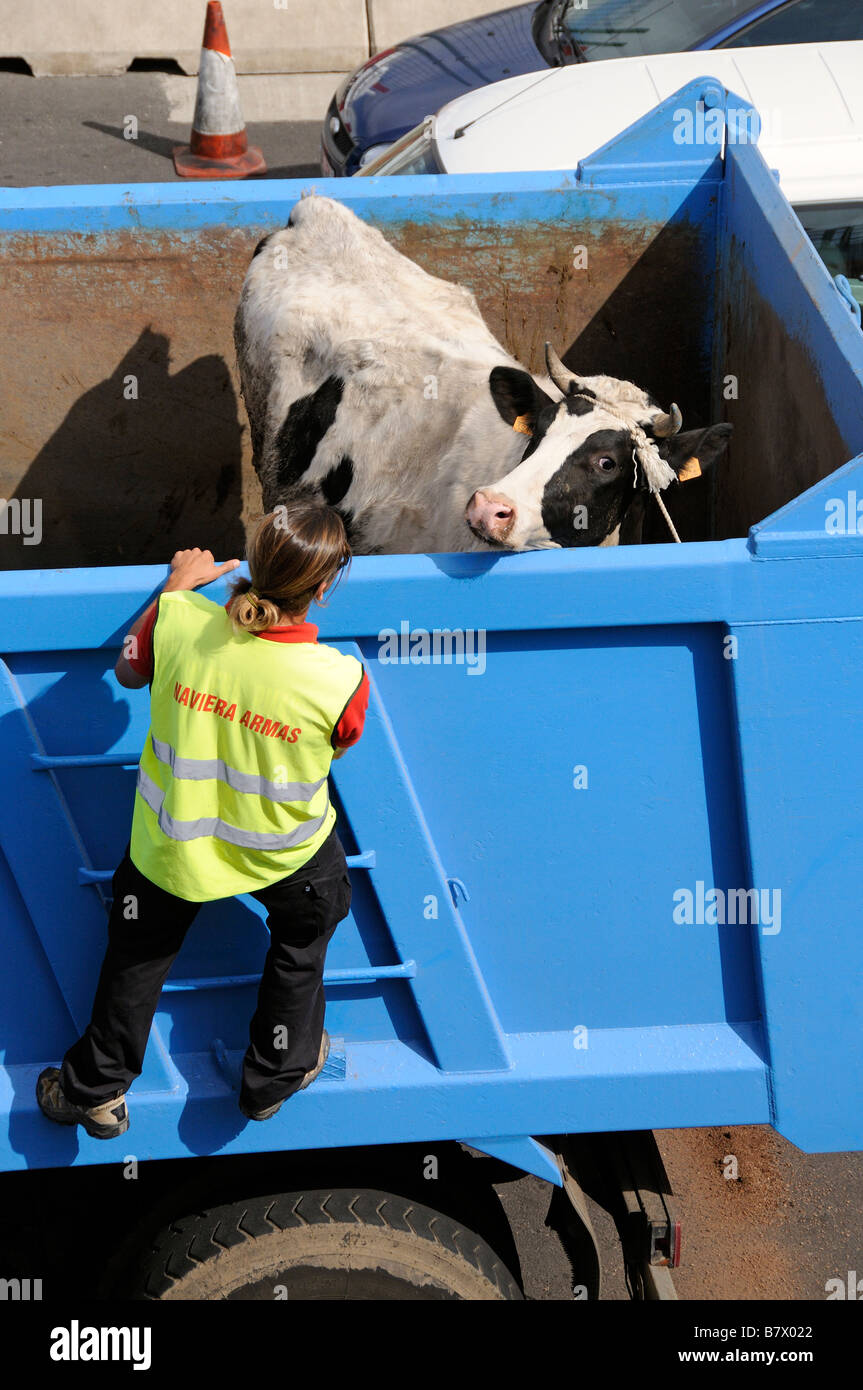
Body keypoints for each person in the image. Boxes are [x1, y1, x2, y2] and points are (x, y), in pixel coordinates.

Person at [37, 502, 368, 1139]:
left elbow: (127, 671)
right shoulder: (341, 678)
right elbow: (339, 743)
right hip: (283, 854)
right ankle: (273, 1076)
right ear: (325, 588)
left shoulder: (183, 621)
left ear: (254, 562)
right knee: (308, 927)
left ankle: (94, 1088)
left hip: (173, 847)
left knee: (138, 951)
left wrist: (173, 588)